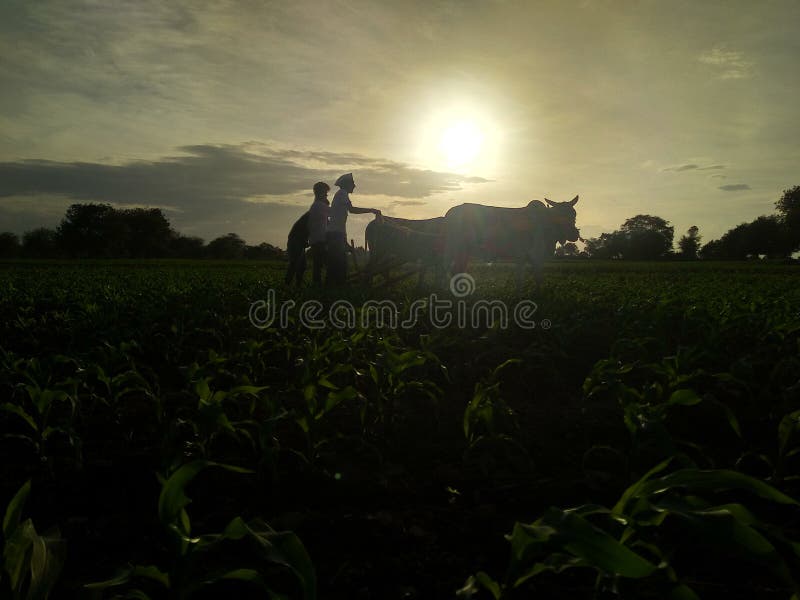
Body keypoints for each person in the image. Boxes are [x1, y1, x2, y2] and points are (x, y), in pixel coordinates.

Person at [326, 173, 381, 286]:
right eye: (352, 184)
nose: (354, 186)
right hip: (336, 233)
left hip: (337, 232)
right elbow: (352, 210)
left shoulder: (341, 194)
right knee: (339, 262)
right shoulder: (342, 194)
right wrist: (371, 210)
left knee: (337, 261)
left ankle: (334, 285)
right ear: (347, 184)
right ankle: (337, 286)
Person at [308, 181, 331, 286]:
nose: (326, 195)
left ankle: (318, 285)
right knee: (328, 264)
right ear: (320, 193)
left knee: (318, 265)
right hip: (320, 239)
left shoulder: (316, 205)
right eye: (325, 193)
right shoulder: (319, 206)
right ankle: (324, 285)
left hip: (316, 239)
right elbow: (334, 212)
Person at [284, 210, 310, 286]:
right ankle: (288, 283)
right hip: (296, 241)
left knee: (302, 265)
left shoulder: (311, 215)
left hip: (298, 241)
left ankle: (296, 284)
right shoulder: (313, 215)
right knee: (295, 263)